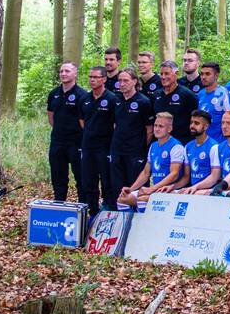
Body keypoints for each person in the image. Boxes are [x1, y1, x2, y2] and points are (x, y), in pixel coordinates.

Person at [107, 69, 155, 210]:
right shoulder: (116, 100)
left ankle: (138, 216)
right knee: (117, 187)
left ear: (134, 81)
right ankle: (120, 216)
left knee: (135, 187)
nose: (122, 84)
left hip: (135, 152)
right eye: (120, 81)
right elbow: (115, 124)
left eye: (126, 80)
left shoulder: (143, 101)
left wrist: (140, 147)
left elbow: (149, 129)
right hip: (117, 150)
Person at [118, 112, 187, 206]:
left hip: (171, 189)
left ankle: (144, 215)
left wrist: (151, 189)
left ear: (169, 129)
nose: (157, 129)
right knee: (122, 200)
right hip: (156, 190)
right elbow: (145, 173)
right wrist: (131, 189)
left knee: (142, 200)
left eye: (161, 126)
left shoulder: (176, 146)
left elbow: (174, 174)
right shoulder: (153, 146)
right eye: (155, 125)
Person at [46, 62, 88, 207]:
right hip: (57, 143)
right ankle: (59, 206)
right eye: (61, 71)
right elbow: (51, 117)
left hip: (77, 143)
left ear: (75, 74)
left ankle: (83, 209)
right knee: (58, 178)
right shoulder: (54, 94)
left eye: (67, 71)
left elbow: (85, 121)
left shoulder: (82, 95)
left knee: (81, 178)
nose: (63, 74)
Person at [78, 66, 116, 217]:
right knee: (89, 181)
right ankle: (93, 212)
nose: (92, 80)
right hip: (88, 147)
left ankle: (108, 211)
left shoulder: (112, 99)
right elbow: (82, 120)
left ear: (104, 79)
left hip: (105, 147)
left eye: (96, 77)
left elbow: (115, 123)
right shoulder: (84, 99)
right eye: (90, 77)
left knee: (107, 181)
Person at [188, 109, 230, 194]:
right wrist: (196, 187)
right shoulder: (219, 147)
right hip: (223, 190)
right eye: (223, 123)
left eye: (228, 123)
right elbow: (214, 177)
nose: (224, 126)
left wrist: (216, 190)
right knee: (194, 192)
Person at [150, 60, 196, 143]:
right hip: (160, 143)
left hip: (181, 142)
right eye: (161, 74)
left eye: (166, 73)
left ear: (176, 74)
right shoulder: (156, 95)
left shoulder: (187, 95)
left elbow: (194, 121)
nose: (163, 77)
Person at [178, 110, 218, 192]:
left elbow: (214, 177)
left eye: (196, 123)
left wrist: (196, 187)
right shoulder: (188, 146)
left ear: (206, 127)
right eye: (191, 122)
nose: (192, 126)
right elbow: (186, 177)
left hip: (208, 191)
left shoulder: (214, 147)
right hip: (193, 190)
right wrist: (173, 187)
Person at [197, 61, 229, 140]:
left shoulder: (223, 93)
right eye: (202, 74)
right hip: (203, 141)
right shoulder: (200, 94)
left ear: (216, 76)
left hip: (219, 141)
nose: (203, 77)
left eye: (207, 74)